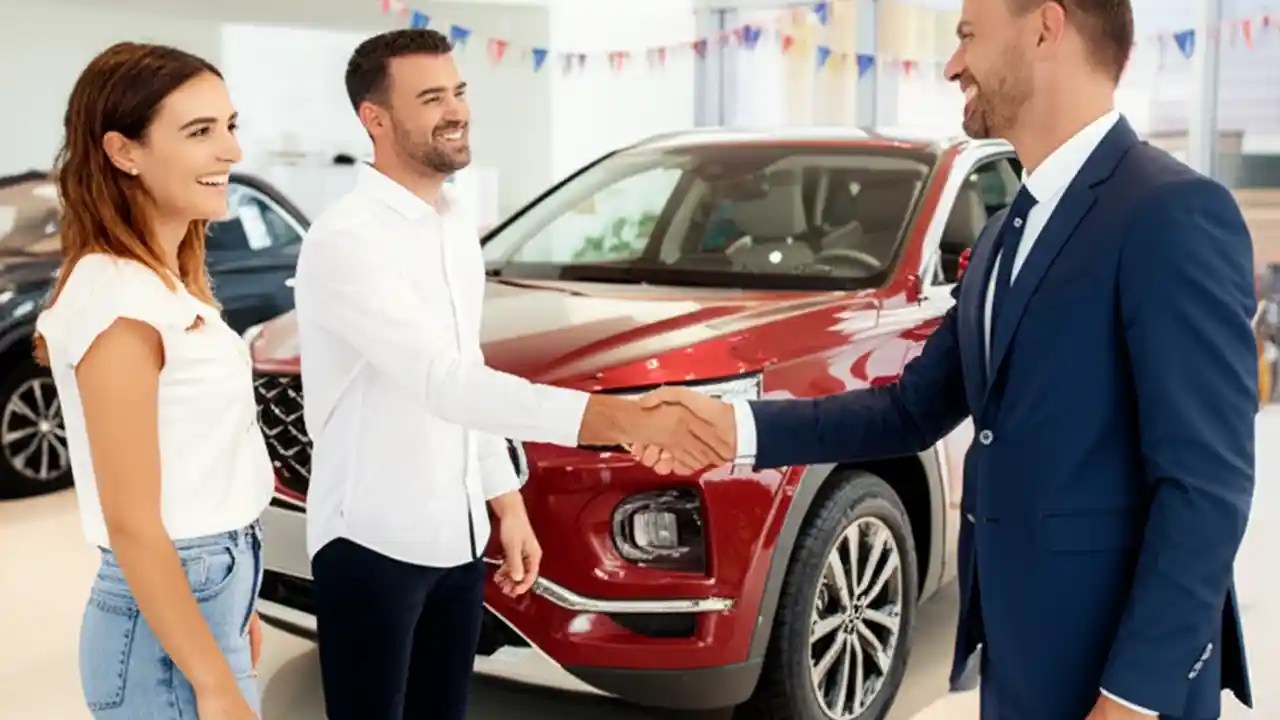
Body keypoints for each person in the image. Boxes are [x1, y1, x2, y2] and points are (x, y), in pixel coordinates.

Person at [634, 1, 1258, 718]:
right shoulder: (1002, 235)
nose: (952, 64)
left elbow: (1207, 488)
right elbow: (910, 409)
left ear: (1045, 27)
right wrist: (731, 427)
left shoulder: (1171, 212)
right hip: (1019, 658)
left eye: (966, 37)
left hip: (1116, 678)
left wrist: (1132, 698)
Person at [291, 29, 731, 720]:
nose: (457, 110)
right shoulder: (348, 240)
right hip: (373, 540)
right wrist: (614, 420)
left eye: (459, 91)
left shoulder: (454, 222)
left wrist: (506, 504)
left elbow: (469, 368)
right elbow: (444, 382)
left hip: (458, 537)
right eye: (431, 97)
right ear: (374, 119)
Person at [33, 43, 271, 719]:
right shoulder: (119, 301)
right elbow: (133, 522)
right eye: (200, 132)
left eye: (230, 125)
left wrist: (232, 605)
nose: (231, 152)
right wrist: (214, 677)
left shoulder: (155, 284)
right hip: (166, 621)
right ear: (123, 151)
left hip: (200, 595)